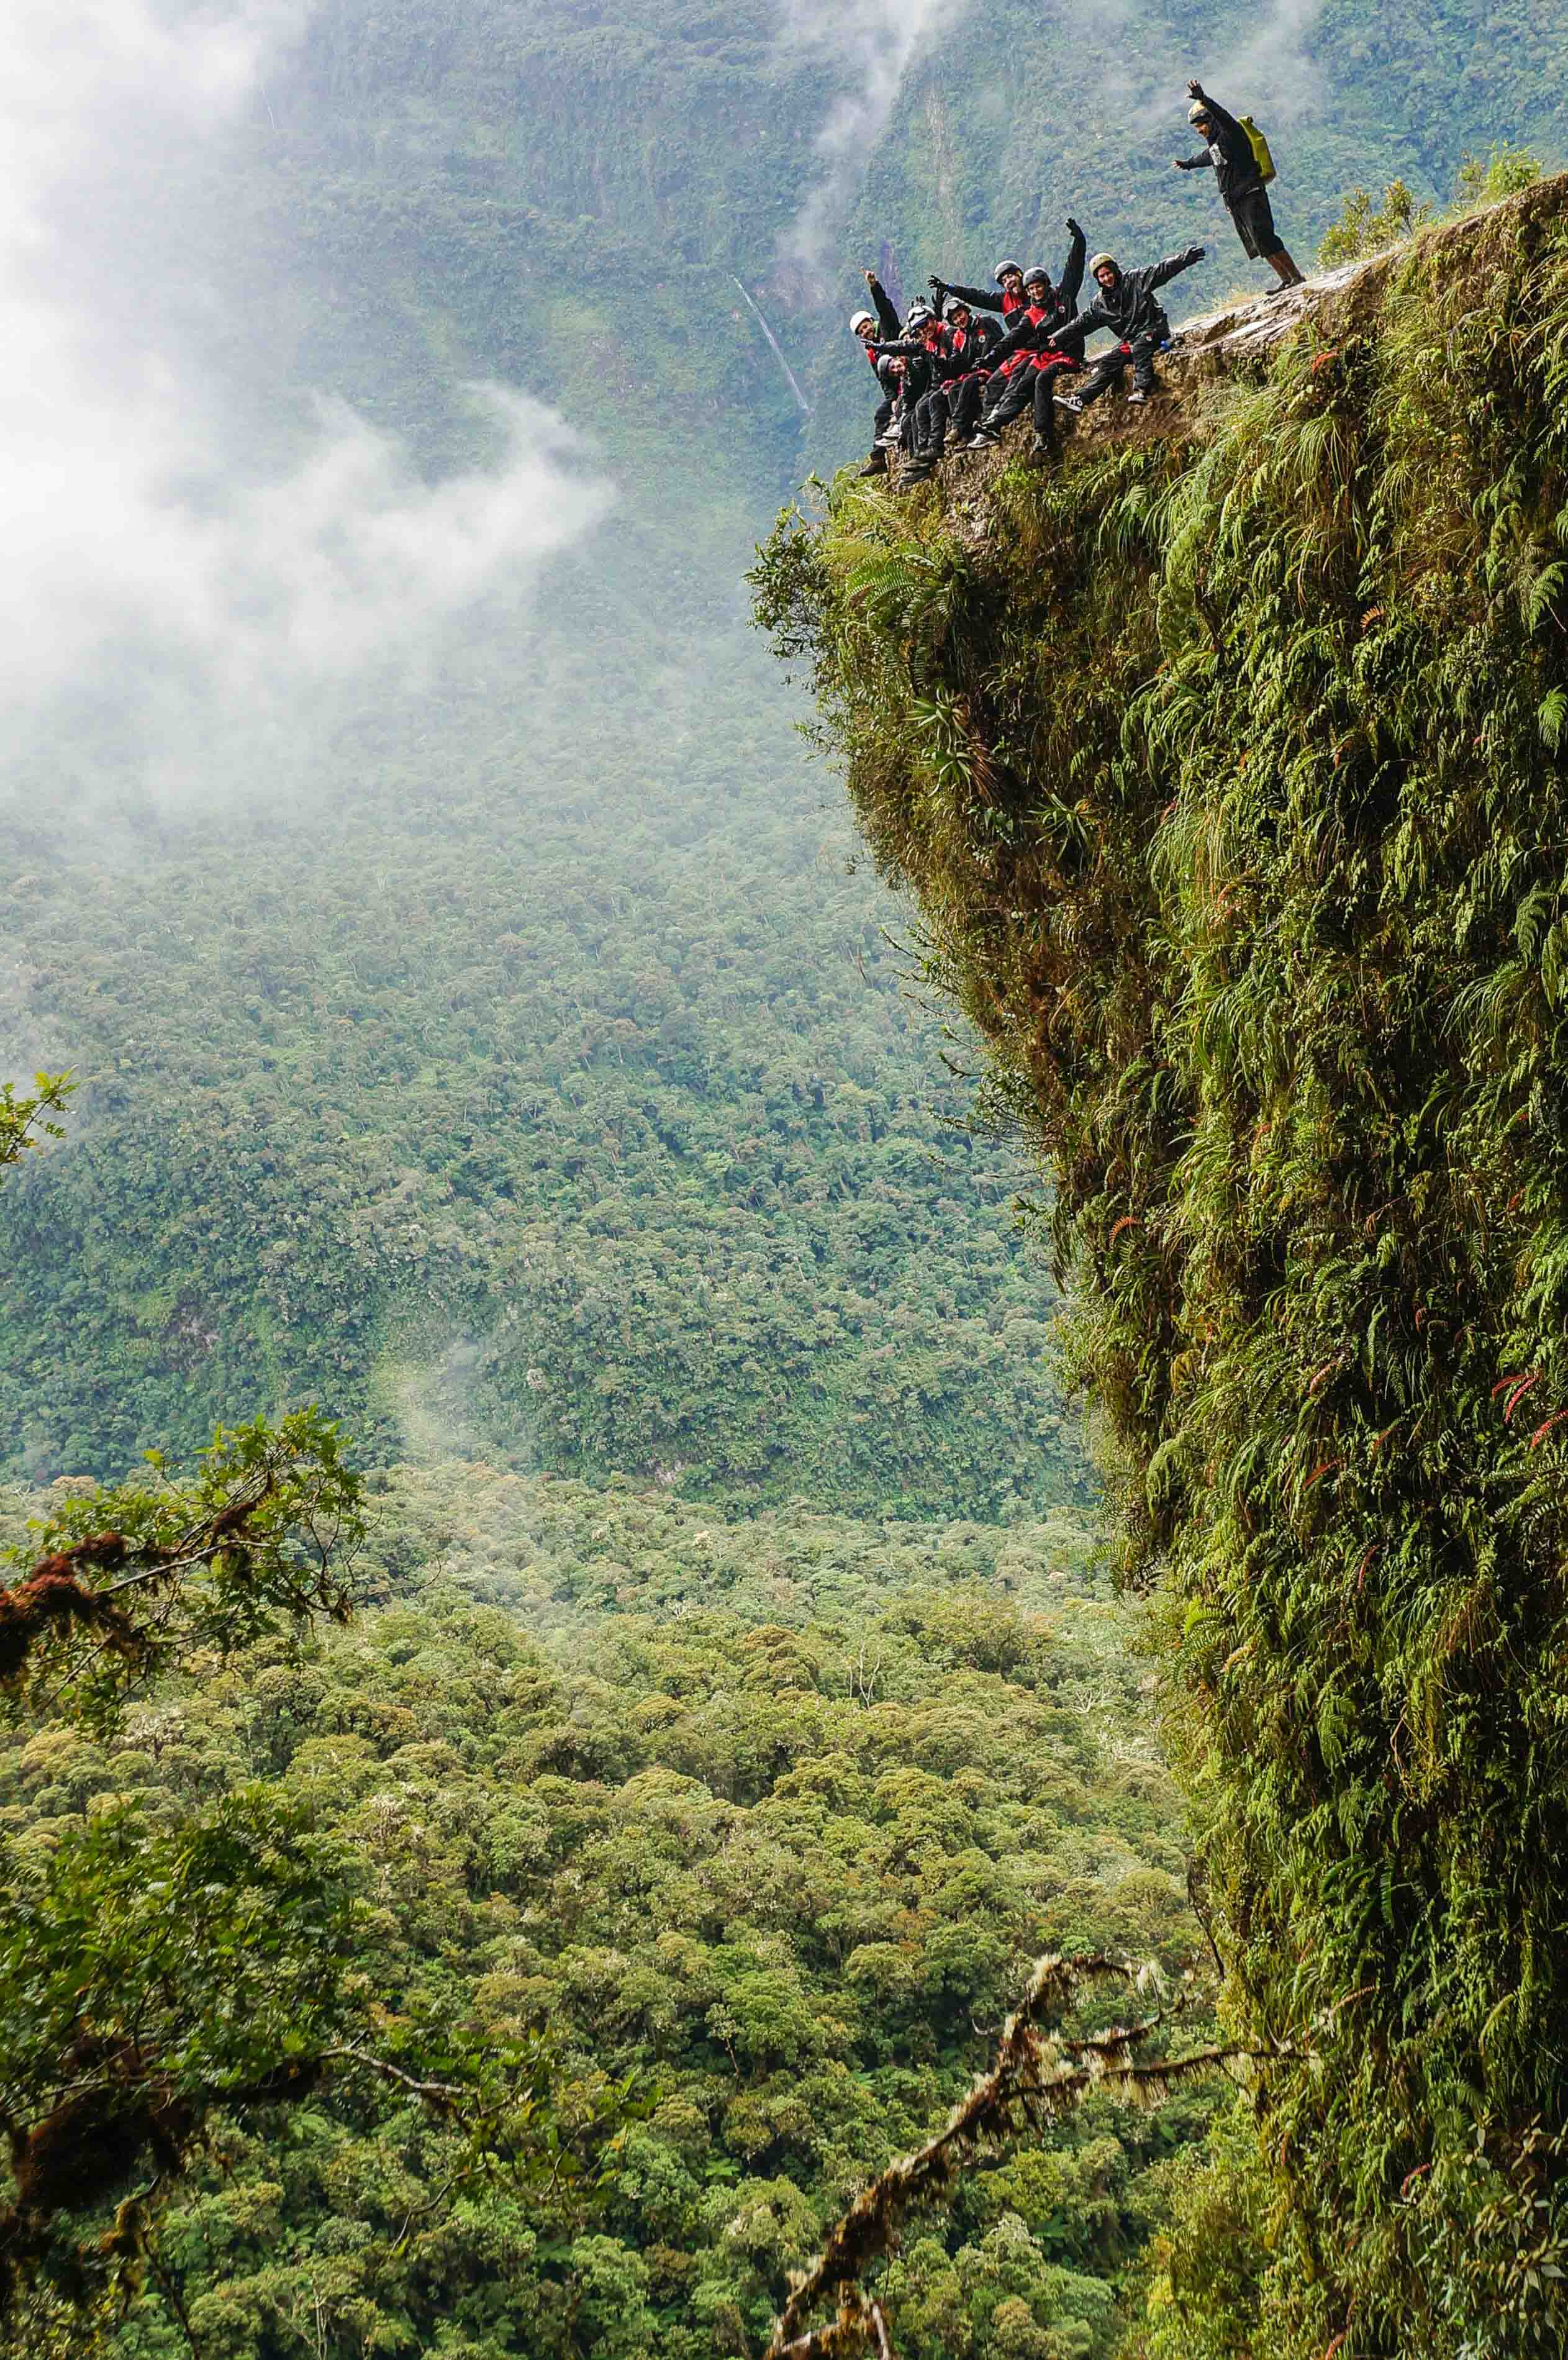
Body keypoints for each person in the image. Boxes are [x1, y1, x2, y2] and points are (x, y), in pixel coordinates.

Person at [963, 225, 1089, 459]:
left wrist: (1079, 241)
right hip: (1047, 356)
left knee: (1041, 380)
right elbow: (1012, 340)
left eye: (1039, 286)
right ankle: (994, 424)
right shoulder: (1030, 315)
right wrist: (990, 358)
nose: (1036, 292)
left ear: (1046, 284)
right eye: (1031, 289)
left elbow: (1074, 268)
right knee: (1022, 387)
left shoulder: (1064, 295)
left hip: (1070, 352)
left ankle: (1043, 434)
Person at [1174, 79, 1305, 289]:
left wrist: (1204, 99)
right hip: (1237, 200)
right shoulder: (1217, 146)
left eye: (1201, 125)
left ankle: (1296, 277)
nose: (1199, 130)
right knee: (1258, 243)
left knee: (1266, 237)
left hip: (1251, 193)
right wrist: (1188, 165)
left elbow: (1224, 118)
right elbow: (1206, 158)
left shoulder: (1232, 134)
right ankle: (1286, 279)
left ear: (1211, 120)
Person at [1051, 245, 1205, 411]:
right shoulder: (1100, 304)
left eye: (1108, 273)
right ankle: (1080, 399)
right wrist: (1059, 336)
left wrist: (1185, 259)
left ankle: (1142, 390)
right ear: (1097, 279)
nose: (1106, 279)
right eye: (1101, 276)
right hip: (1131, 341)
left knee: (1140, 346)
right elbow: (1081, 323)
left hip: (1153, 329)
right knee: (1110, 361)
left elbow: (1162, 270)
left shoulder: (1136, 279)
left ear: (1115, 270)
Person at [851, 268, 906, 478]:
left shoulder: (887, 328)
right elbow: (884, 380)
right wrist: (892, 399)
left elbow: (885, 307)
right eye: (861, 332)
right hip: (898, 388)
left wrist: (874, 287)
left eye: (866, 327)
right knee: (881, 414)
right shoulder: (872, 352)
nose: (866, 332)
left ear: (871, 322)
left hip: (913, 375)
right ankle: (878, 459)